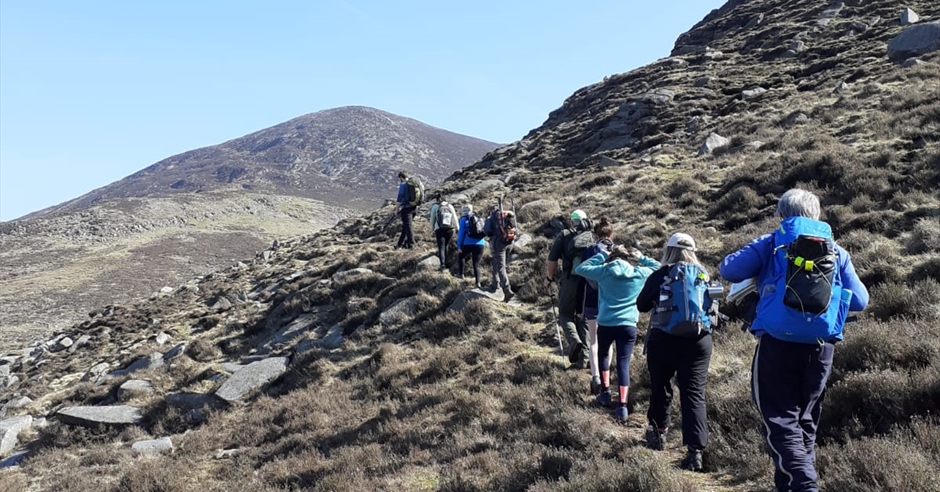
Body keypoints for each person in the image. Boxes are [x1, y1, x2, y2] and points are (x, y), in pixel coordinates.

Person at [720, 188, 869, 492]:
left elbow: (729, 269)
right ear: (816, 214)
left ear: (781, 215)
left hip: (777, 344)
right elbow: (860, 301)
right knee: (805, 422)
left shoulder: (772, 243)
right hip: (821, 348)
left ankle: (805, 486)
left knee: (780, 419)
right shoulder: (836, 251)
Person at [637, 232, 714, 472]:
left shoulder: (661, 274)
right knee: (694, 393)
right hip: (699, 340)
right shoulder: (704, 274)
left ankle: (658, 432)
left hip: (664, 338)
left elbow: (641, 305)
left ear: (668, 251)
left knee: (661, 385)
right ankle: (695, 452)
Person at [574, 243, 660, 422]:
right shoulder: (638, 272)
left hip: (606, 323)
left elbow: (580, 269)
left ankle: (605, 393)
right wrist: (642, 258)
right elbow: (659, 268)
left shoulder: (604, 271)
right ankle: (622, 405)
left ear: (612, 257)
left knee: (603, 356)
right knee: (623, 363)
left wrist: (602, 255)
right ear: (628, 258)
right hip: (628, 325)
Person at [544, 210, 595, 368]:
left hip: (571, 280)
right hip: (589, 281)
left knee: (565, 314)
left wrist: (549, 278)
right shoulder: (592, 235)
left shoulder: (565, 235)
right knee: (583, 317)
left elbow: (552, 260)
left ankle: (574, 340)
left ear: (572, 221)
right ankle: (584, 359)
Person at [578, 217, 615, 394]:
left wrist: (578, 305)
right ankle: (606, 374)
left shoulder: (588, 251)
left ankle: (596, 377)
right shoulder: (616, 251)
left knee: (594, 340)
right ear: (611, 234)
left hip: (592, 299)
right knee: (608, 341)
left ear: (595, 235)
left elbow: (581, 279)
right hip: (610, 300)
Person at [484, 204, 515, 302]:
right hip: (510, 242)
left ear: (491, 211)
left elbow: (487, 231)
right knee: (498, 262)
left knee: (501, 267)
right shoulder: (506, 215)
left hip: (499, 243)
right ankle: (495, 283)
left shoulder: (491, 218)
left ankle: (507, 290)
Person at [456, 204, 485, 288]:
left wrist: (459, 246)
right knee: (476, 264)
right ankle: (478, 283)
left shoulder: (464, 219)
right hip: (480, 244)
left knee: (461, 256)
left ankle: (461, 274)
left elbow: (461, 234)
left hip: (468, 243)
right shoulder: (479, 218)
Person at [429, 194, 458, 272]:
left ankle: (442, 264)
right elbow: (455, 217)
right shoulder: (450, 206)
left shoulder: (435, 206)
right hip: (450, 229)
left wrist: (431, 229)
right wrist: (457, 228)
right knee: (446, 245)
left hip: (439, 229)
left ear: (437, 199)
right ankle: (447, 262)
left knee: (441, 247)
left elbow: (432, 219)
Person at [395, 171, 416, 249]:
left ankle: (411, 245)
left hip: (406, 209)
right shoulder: (414, 183)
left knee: (408, 227)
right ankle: (399, 244)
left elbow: (399, 198)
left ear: (401, 177)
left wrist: (397, 209)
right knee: (406, 227)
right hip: (414, 208)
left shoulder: (403, 185)